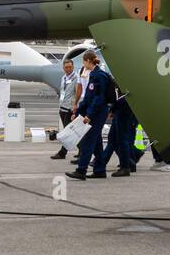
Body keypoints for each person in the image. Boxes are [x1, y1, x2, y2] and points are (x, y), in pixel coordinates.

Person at [66, 51, 111, 181]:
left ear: (88, 61)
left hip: (97, 113)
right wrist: (78, 112)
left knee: (88, 142)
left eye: (84, 61)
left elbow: (99, 98)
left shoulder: (99, 75)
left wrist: (89, 115)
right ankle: (100, 170)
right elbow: (88, 98)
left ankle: (81, 170)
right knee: (96, 143)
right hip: (94, 111)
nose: (83, 64)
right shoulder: (93, 74)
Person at [99, 88, 138, 176]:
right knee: (113, 139)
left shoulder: (125, 81)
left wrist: (112, 108)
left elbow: (125, 96)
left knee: (122, 140)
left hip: (123, 111)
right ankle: (129, 163)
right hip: (119, 110)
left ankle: (125, 167)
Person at [50, 58, 77, 160]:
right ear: (63, 68)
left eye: (70, 67)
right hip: (62, 108)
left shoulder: (76, 78)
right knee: (69, 132)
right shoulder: (64, 78)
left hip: (70, 109)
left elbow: (79, 94)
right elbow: (63, 92)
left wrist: (74, 107)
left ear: (73, 67)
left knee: (68, 132)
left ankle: (62, 153)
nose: (68, 69)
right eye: (66, 67)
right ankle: (81, 152)